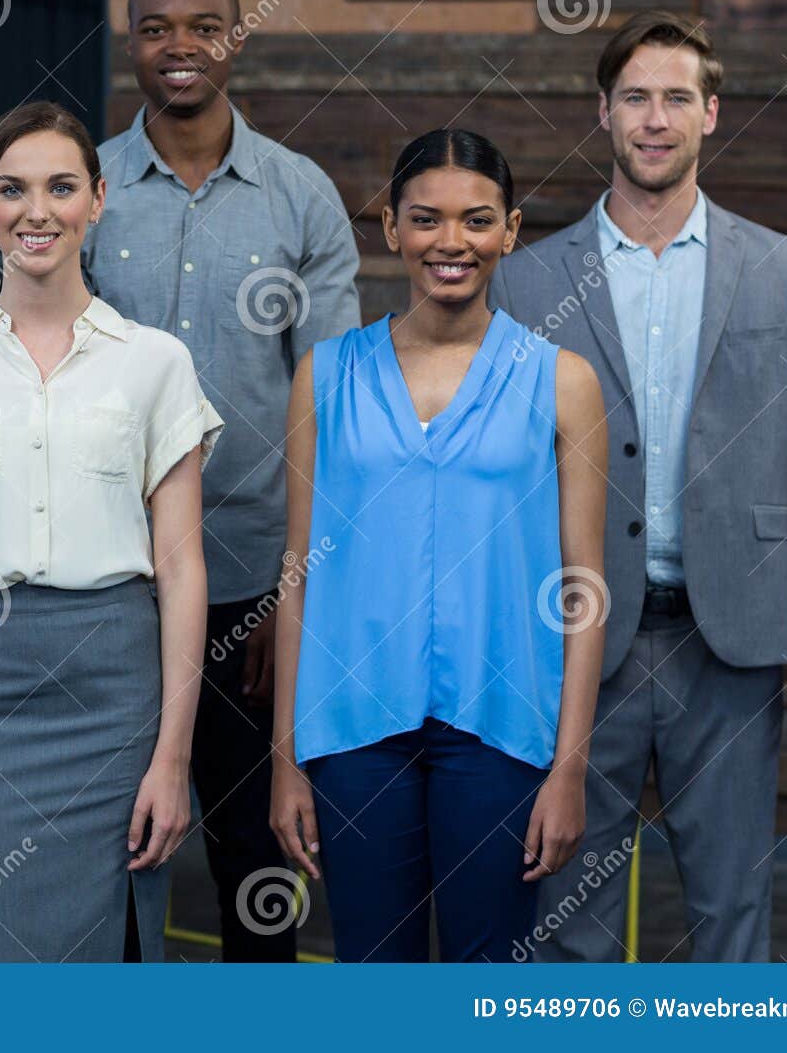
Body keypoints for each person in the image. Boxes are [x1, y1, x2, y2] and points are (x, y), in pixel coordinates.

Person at [491, 10, 787, 962]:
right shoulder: (528, 282)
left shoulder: (776, 266)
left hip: (730, 647)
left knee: (732, 917)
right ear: (603, 113)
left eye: (675, 98)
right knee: (566, 920)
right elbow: (500, 484)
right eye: (635, 99)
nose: (654, 119)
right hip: (577, 644)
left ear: (710, 113)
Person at [0, 101, 223, 962]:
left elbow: (181, 570)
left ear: (96, 199)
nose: (38, 211)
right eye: (12, 189)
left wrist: (172, 760)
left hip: (117, 696)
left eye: (62, 187)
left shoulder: (156, 361)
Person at [81, 0, 361, 962]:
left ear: (235, 39)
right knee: (113, 851)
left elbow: (332, 409)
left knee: (256, 855)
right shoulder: (82, 186)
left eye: (203, 26)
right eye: (157, 27)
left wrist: (296, 588)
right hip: (111, 578)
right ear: (130, 42)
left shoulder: (299, 195)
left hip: (250, 588)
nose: (181, 45)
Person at [270, 129, 609, 962]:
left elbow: (584, 587)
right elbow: (297, 573)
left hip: (502, 730)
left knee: (485, 976)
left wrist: (570, 767)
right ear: (391, 227)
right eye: (426, 218)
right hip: (352, 730)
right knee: (371, 968)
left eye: (477, 220)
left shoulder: (563, 380)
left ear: (511, 229)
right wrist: (284, 758)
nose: (450, 241)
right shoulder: (325, 375)